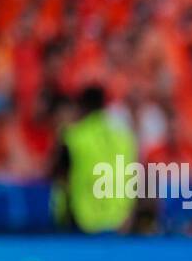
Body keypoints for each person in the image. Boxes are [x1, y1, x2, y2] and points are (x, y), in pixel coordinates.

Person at [51, 85, 138, 233]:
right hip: (118, 220)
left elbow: (61, 179)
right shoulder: (125, 138)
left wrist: (60, 215)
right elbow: (133, 179)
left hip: (82, 220)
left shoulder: (73, 137)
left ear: (82, 107)